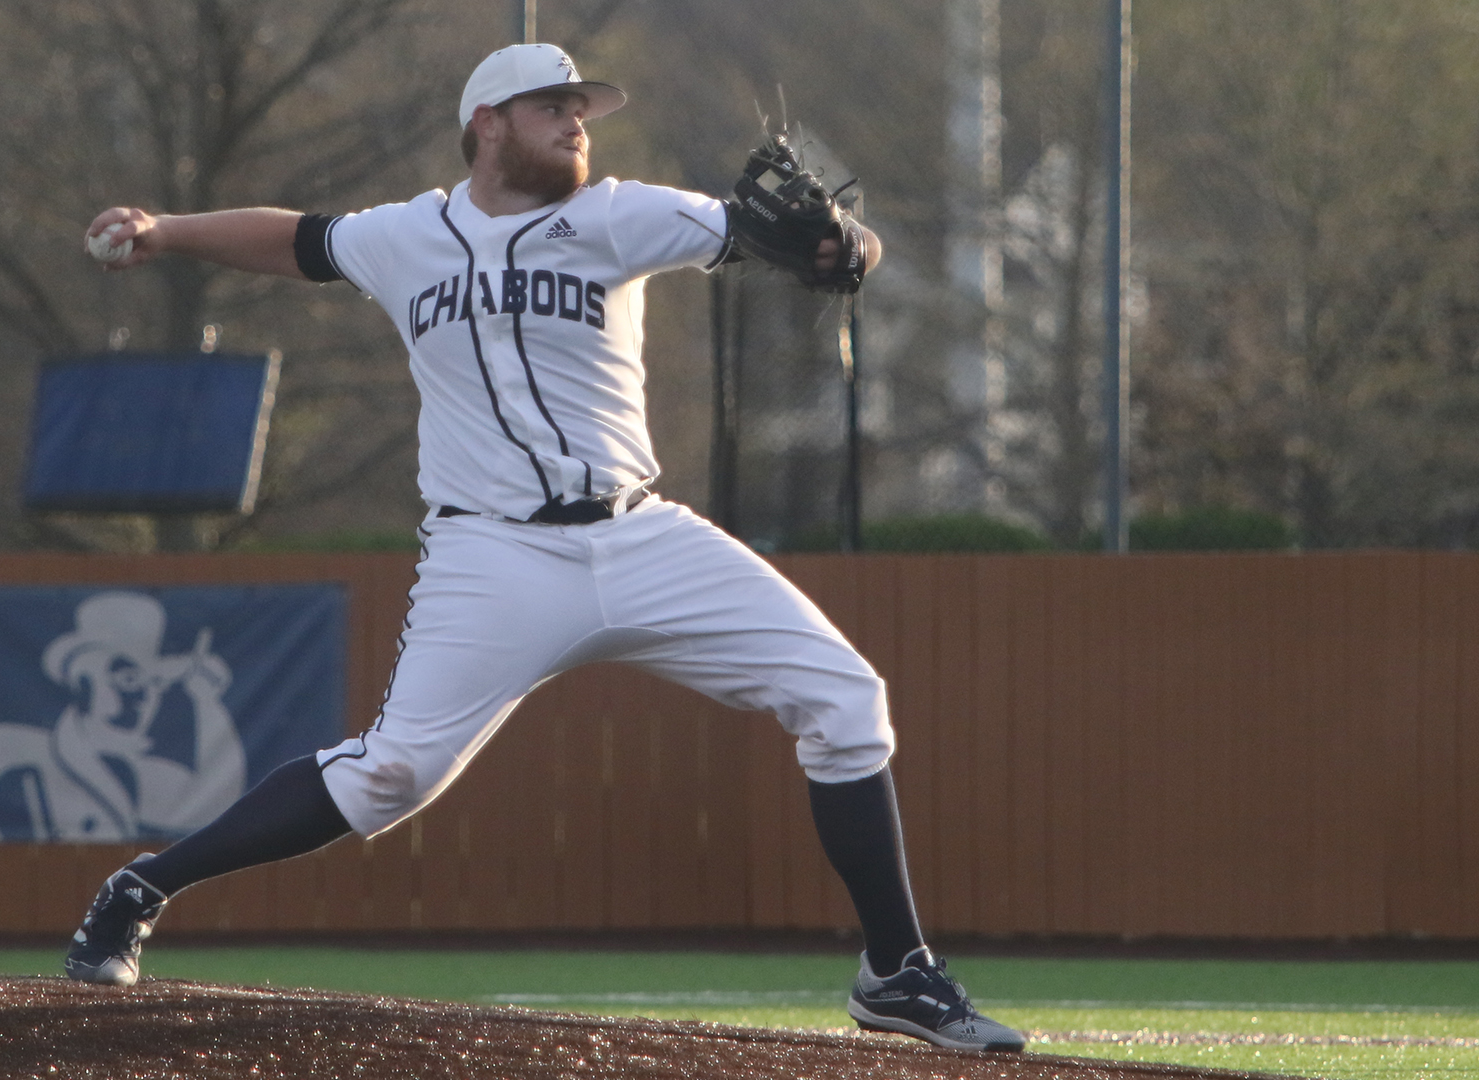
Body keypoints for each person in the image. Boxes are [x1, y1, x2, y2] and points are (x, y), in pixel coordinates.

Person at [65, 43, 1025, 1054]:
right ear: (487, 123)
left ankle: (896, 974)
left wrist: (850, 250)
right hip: (493, 558)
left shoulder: (618, 214)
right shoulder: (405, 237)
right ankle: (141, 886)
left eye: (583, 107)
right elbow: (297, 239)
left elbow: (794, 236)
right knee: (391, 774)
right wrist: (165, 231)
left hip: (640, 532)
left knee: (845, 699)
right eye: (551, 107)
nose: (578, 122)